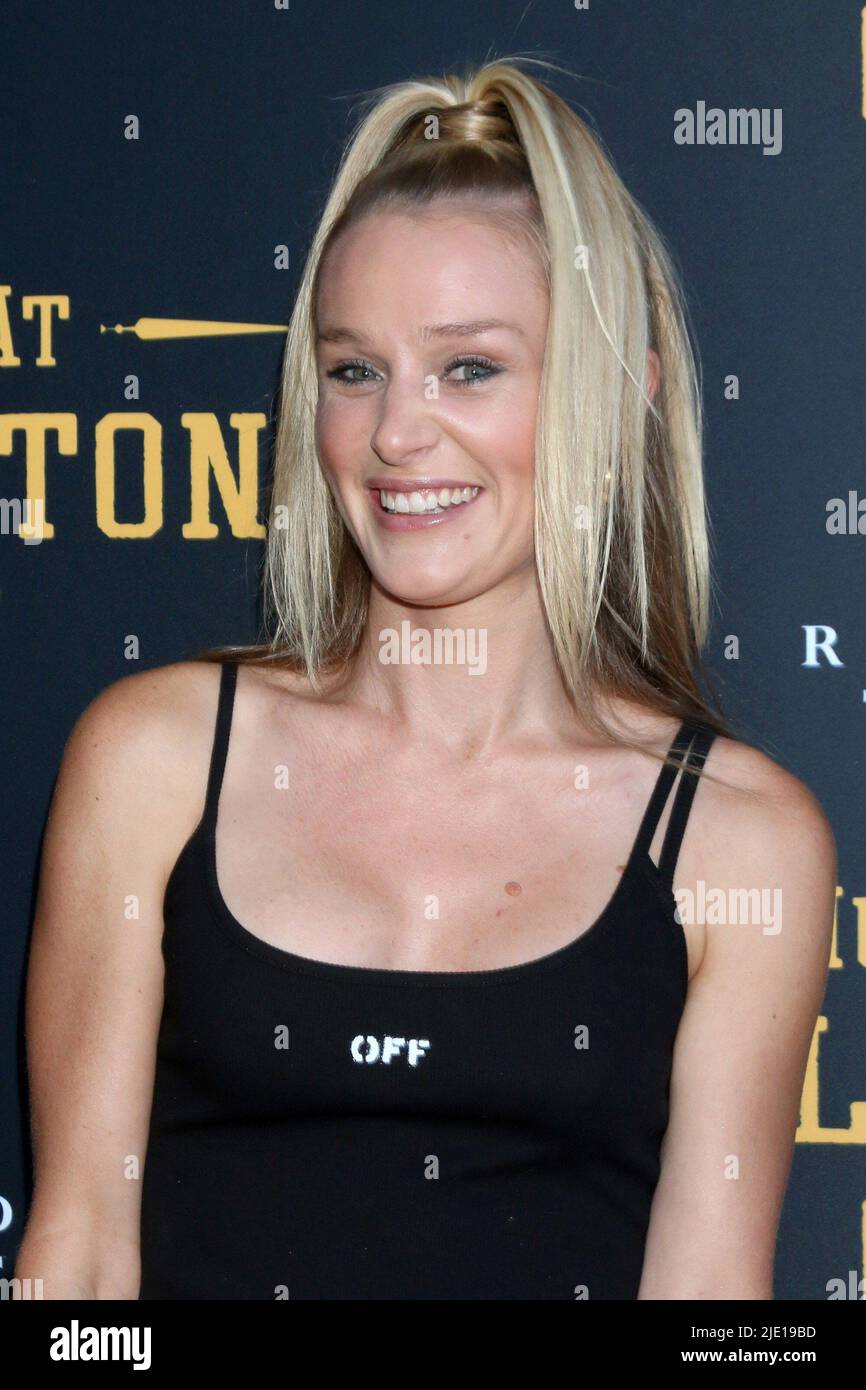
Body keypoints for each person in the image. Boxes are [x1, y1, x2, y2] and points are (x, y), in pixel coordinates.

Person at [16, 56, 836, 1301]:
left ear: (618, 391)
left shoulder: (740, 842)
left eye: (468, 368)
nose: (397, 434)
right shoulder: (155, 761)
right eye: (354, 370)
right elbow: (74, 1266)